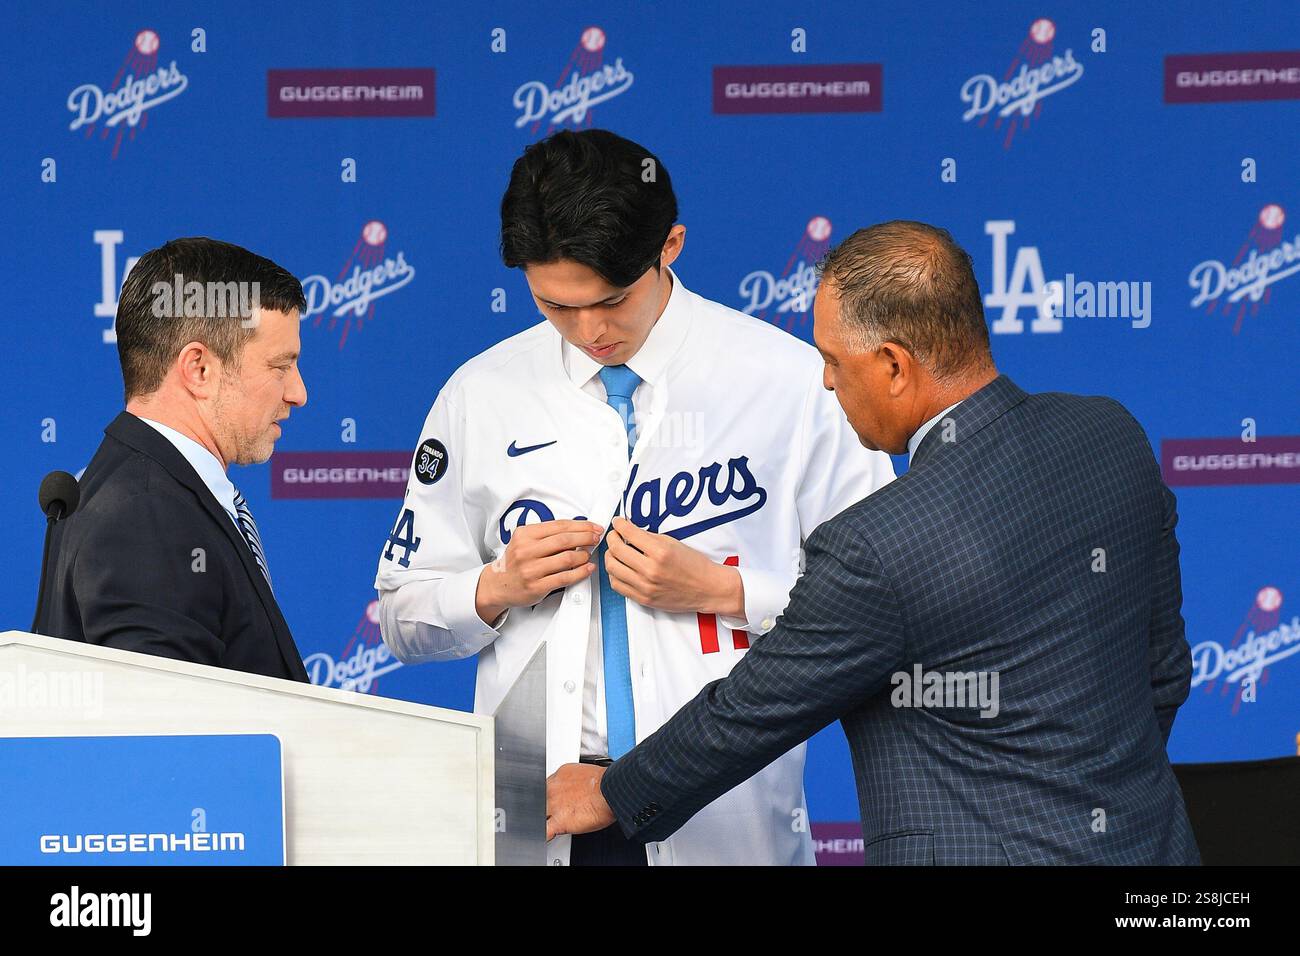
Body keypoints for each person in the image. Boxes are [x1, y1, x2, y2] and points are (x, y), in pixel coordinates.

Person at [546, 220, 1200, 866]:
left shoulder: (879, 545)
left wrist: (611, 790)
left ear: (892, 365)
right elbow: (1164, 672)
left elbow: (746, 716)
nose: (828, 383)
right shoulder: (1110, 435)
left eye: (833, 360)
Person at [374, 130, 894, 866]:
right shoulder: (480, 394)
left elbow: (882, 611)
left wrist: (728, 590)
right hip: (542, 815)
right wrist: (495, 588)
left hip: (720, 812)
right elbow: (401, 618)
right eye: (556, 305)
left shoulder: (790, 382)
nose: (591, 331)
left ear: (670, 245)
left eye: (612, 300)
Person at [37, 237, 310, 682]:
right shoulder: (144, 517)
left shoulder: (137, 491)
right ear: (199, 369)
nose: (298, 393)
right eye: (280, 367)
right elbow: (167, 736)